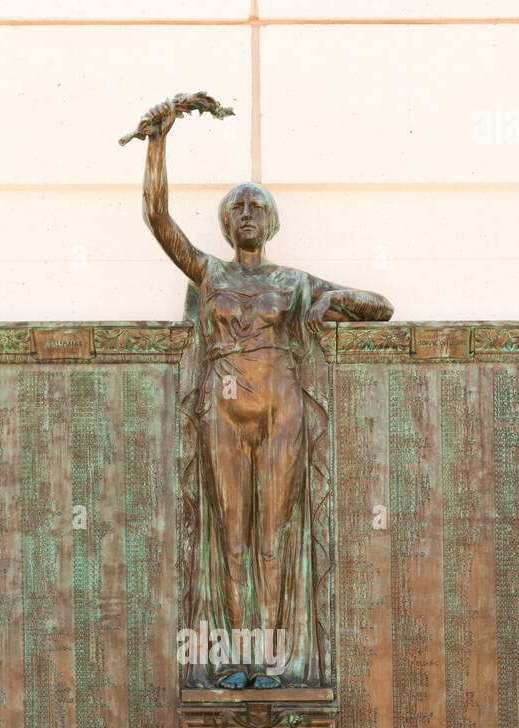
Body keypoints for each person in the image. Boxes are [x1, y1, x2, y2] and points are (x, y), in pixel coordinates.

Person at [142, 97, 393, 687]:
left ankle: (271, 662)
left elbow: (381, 307)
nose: (248, 212)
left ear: (270, 220)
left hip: (281, 409)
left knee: (273, 537)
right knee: (231, 535)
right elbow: (158, 221)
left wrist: (334, 302)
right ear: (228, 224)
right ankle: (233, 657)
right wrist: (158, 143)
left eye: (257, 205)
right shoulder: (209, 274)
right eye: (238, 207)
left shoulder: (293, 282)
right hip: (225, 410)